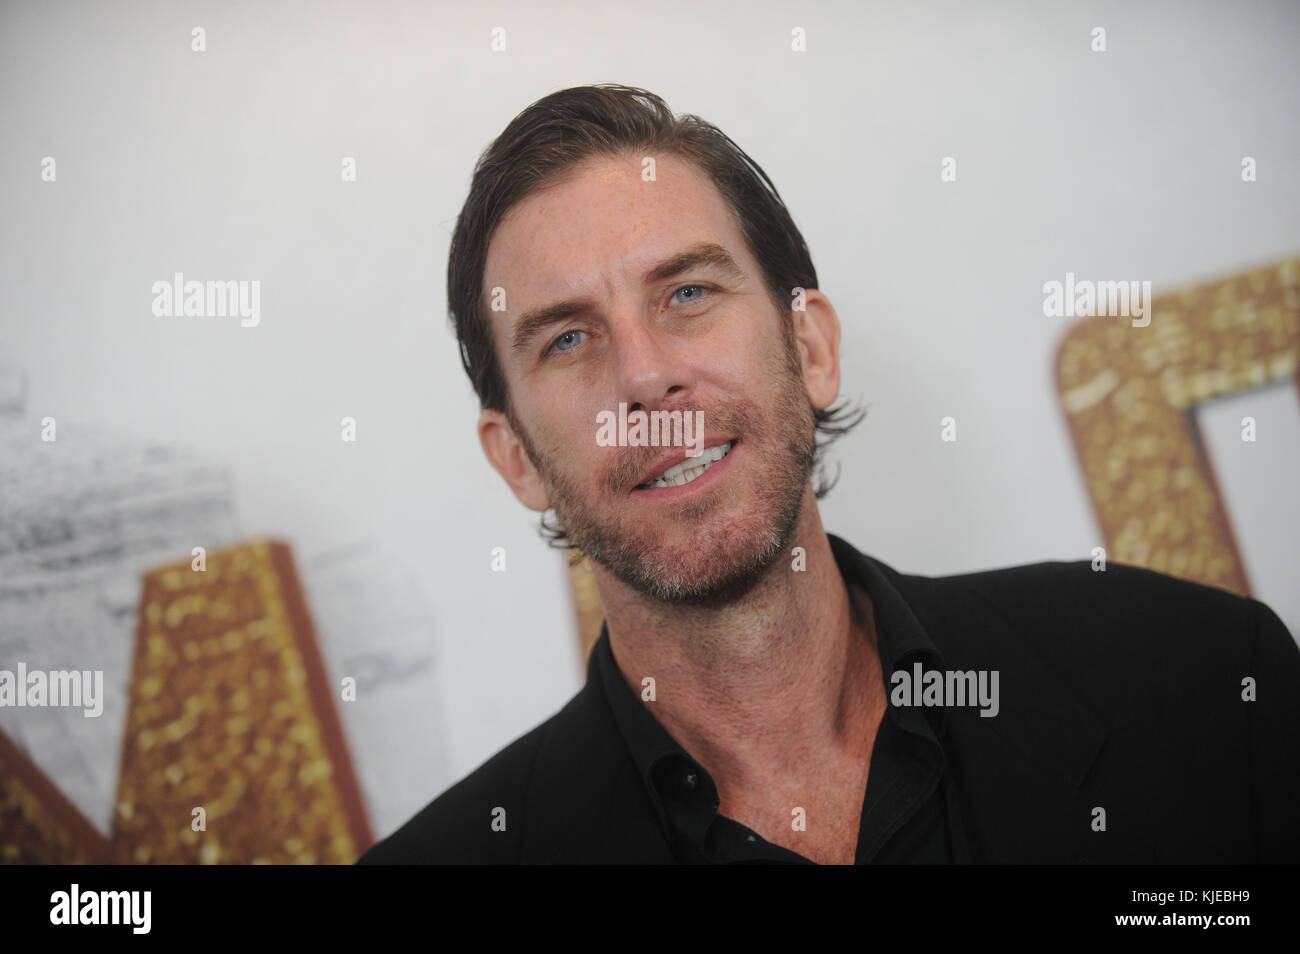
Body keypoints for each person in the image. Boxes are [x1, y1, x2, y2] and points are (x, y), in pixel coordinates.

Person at [359, 84, 1299, 864]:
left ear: (809, 345)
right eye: (569, 338)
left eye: (688, 291)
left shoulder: (1201, 682)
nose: (645, 377)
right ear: (517, 457)